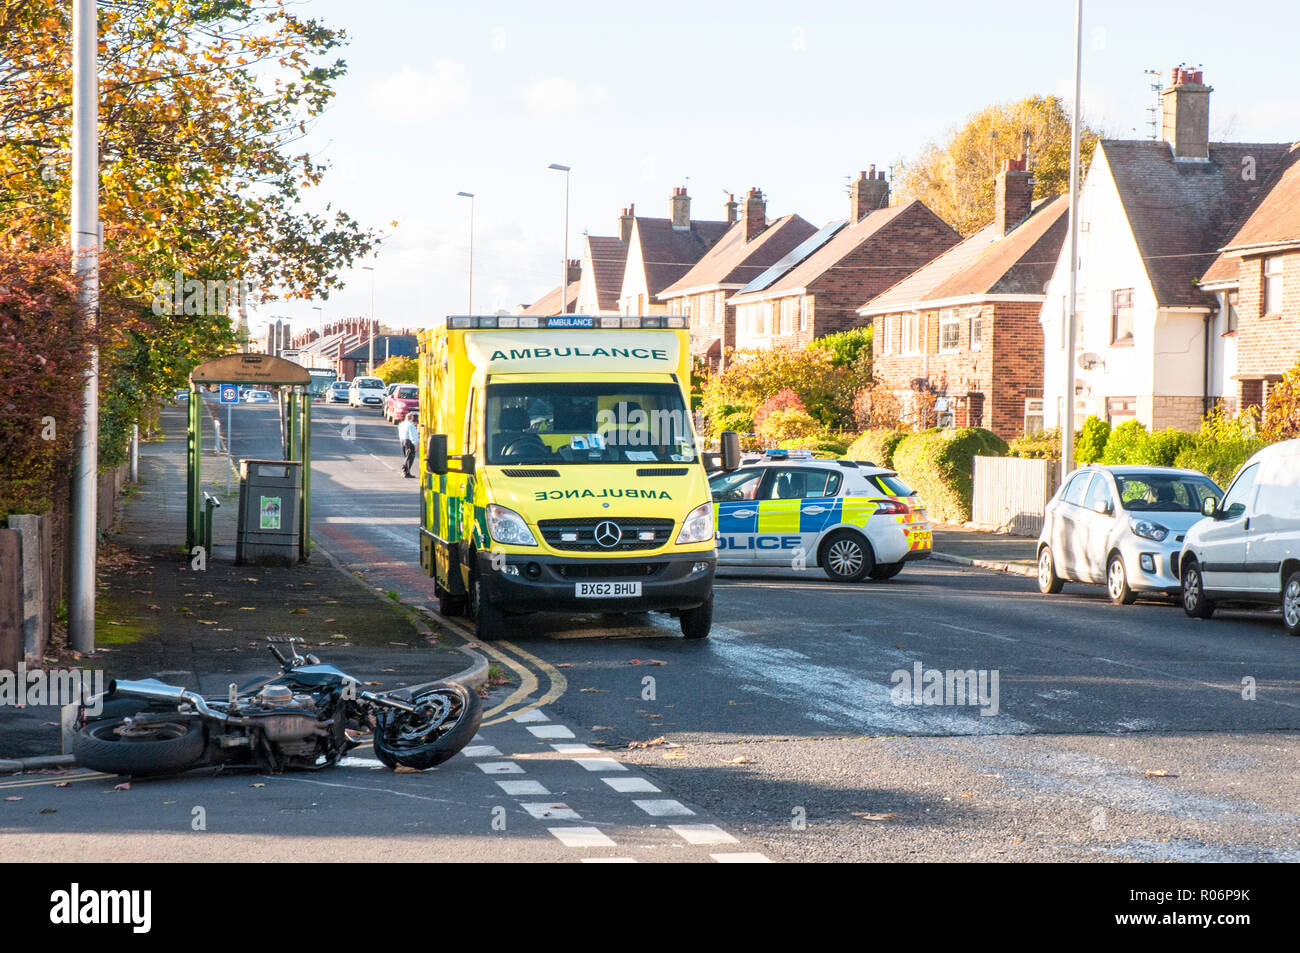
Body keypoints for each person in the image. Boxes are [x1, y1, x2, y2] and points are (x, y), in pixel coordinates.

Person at [398, 412, 418, 478]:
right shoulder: (411, 425)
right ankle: (405, 471)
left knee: (406, 456)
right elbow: (413, 435)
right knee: (410, 456)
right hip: (409, 441)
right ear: (411, 418)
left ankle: (406, 471)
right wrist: (415, 444)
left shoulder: (401, 424)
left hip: (402, 440)